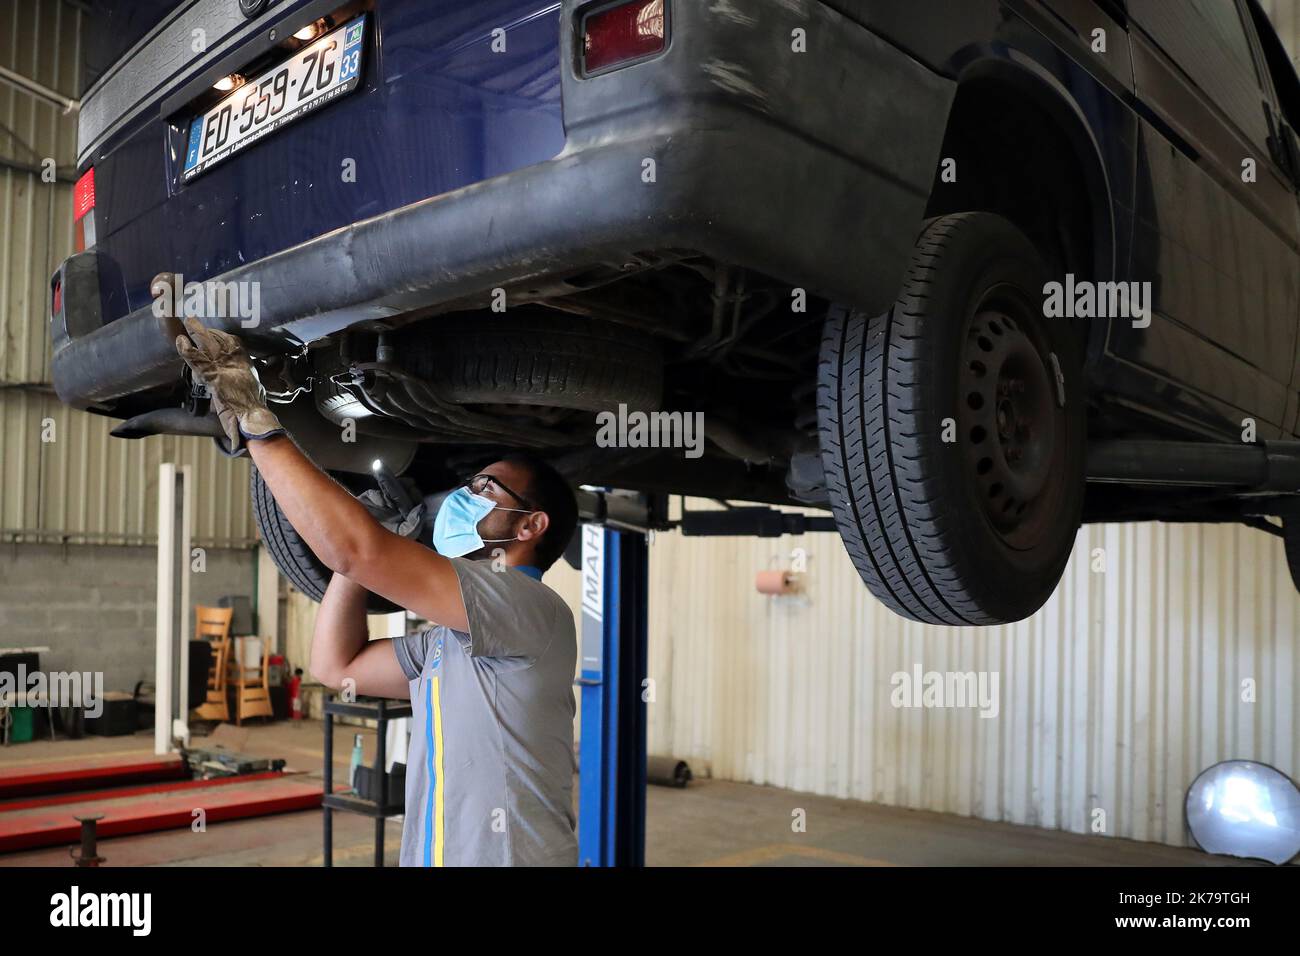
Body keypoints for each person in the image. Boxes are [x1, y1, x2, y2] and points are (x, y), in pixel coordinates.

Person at [174, 319, 580, 867]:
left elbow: (355, 550)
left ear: (530, 526)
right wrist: (358, 564)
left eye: (485, 487)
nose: (465, 494)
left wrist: (258, 425)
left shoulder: (528, 607)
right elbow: (335, 664)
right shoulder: (448, 641)